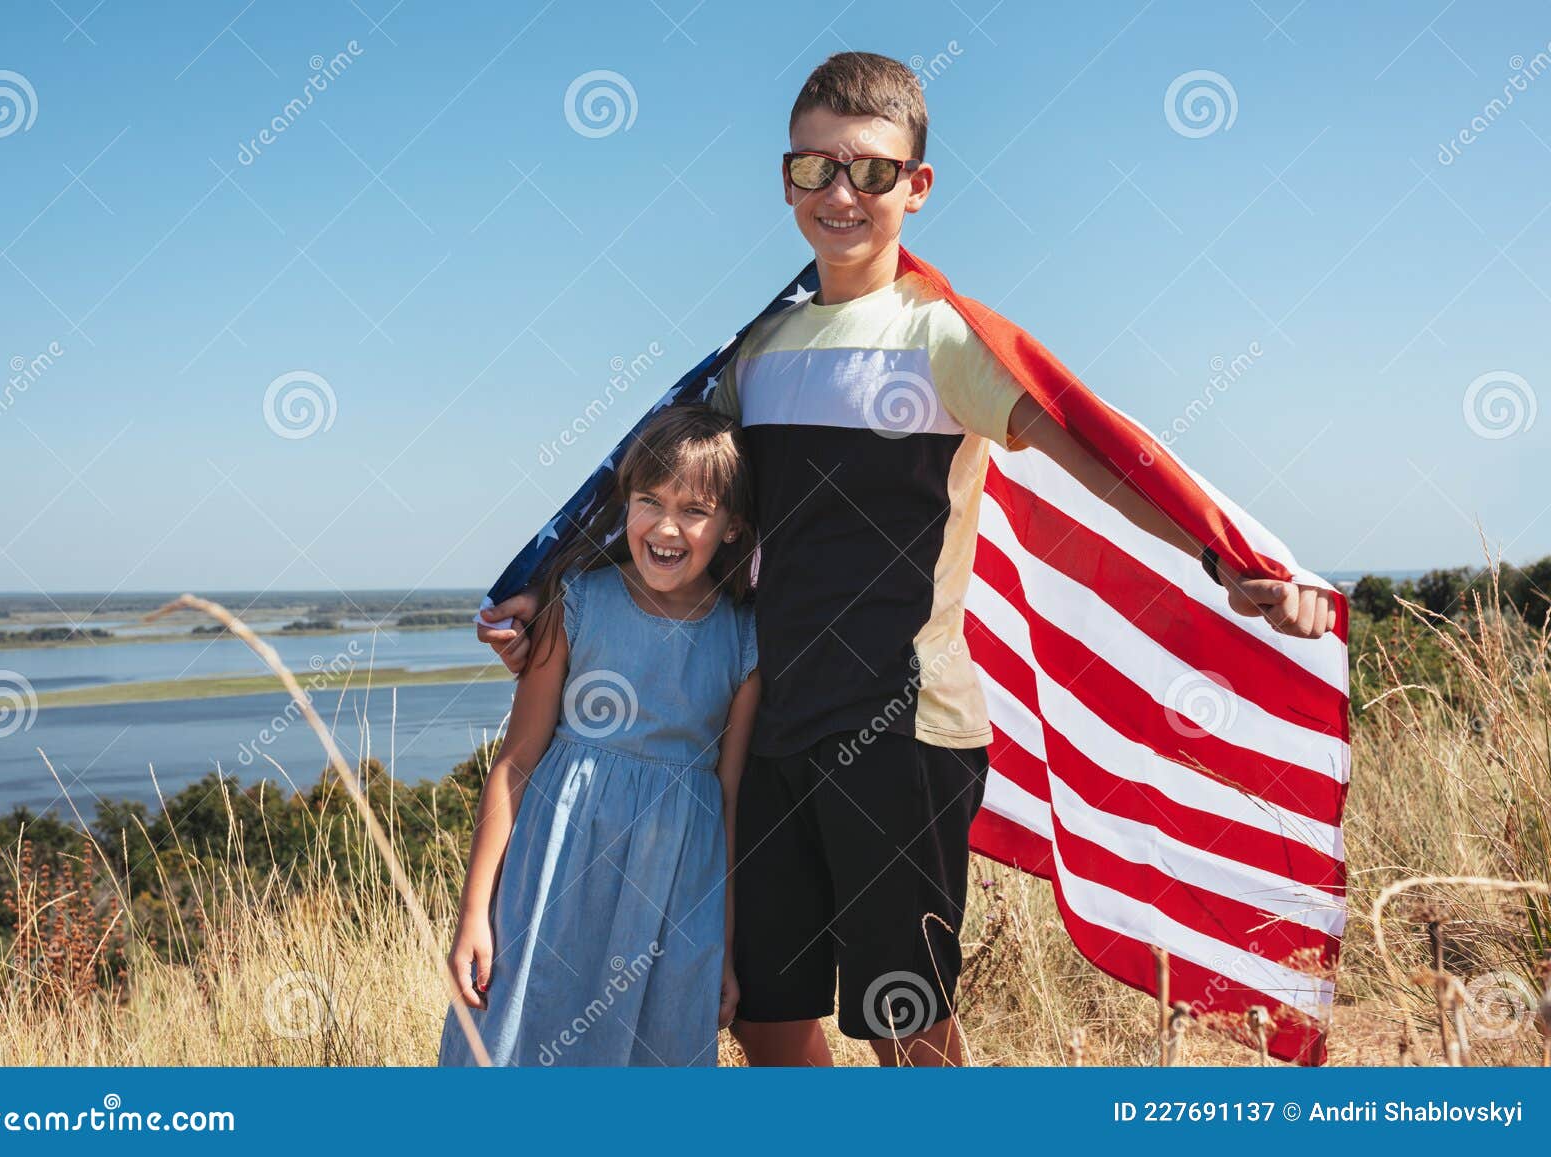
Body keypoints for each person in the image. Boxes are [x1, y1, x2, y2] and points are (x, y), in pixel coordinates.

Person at [479, 53, 1336, 1068]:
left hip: (904, 725)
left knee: (905, 1018)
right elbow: (670, 493)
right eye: (814, 169)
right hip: (771, 724)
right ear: (786, 178)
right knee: (762, 1011)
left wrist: (1213, 553)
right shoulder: (754, 351)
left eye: (872, 171)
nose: (841, 194)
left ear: (916, 187)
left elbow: (1085, 447)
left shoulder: (941, 341)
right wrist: (545, 592)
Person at [439, 404, 759, 1066]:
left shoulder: (742, 641)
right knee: (518, 1041)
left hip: (673, 894)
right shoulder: (576, 601)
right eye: (650, 501)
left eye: (695, 509)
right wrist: (475, 911)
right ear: (626, 505)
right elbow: (516, 763)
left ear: (732, 528)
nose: (667, 526)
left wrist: (725, 946)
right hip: (550, 876)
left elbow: (729, 797)